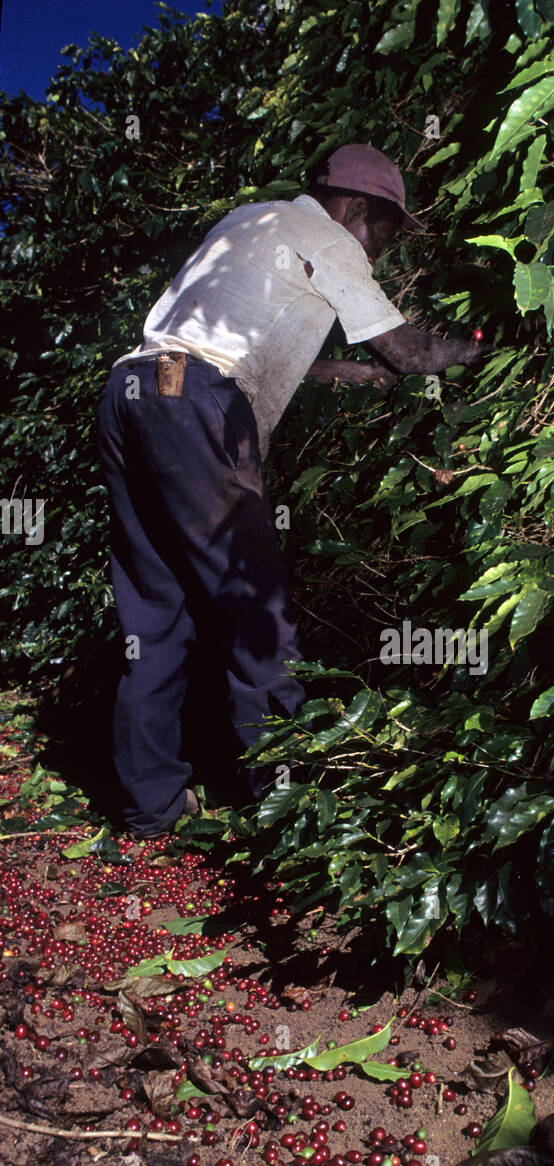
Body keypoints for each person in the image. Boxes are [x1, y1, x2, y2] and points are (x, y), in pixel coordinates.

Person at [95, 143, 485, 839]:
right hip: (195, 403)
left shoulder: (253, 220)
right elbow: (408, 350)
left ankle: (151, 810)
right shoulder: (328, 237)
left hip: (133, 393)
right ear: (357, 209)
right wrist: (488, 348)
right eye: (388, 232)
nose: (383, 251)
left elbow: (244, 340)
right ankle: (289, 817)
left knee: (157, 615)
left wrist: (349, 375)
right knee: (257, 609)